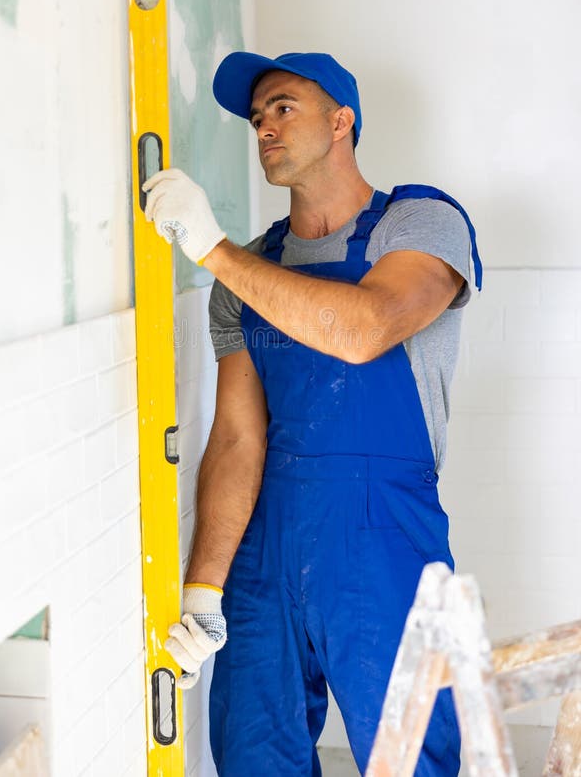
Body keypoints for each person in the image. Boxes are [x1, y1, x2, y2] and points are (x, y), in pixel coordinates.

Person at [142, 52, 482, 777]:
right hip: (265, 546)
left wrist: (211, 249)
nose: (264, 126)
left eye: (283, 108)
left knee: (413, 750)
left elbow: (364, 329)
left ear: (341, 122)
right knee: (253, 752)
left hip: (382, 536)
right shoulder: (248, 272)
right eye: (257, 117)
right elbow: (236, 438)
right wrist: (204, 589)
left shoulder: (419, 223)